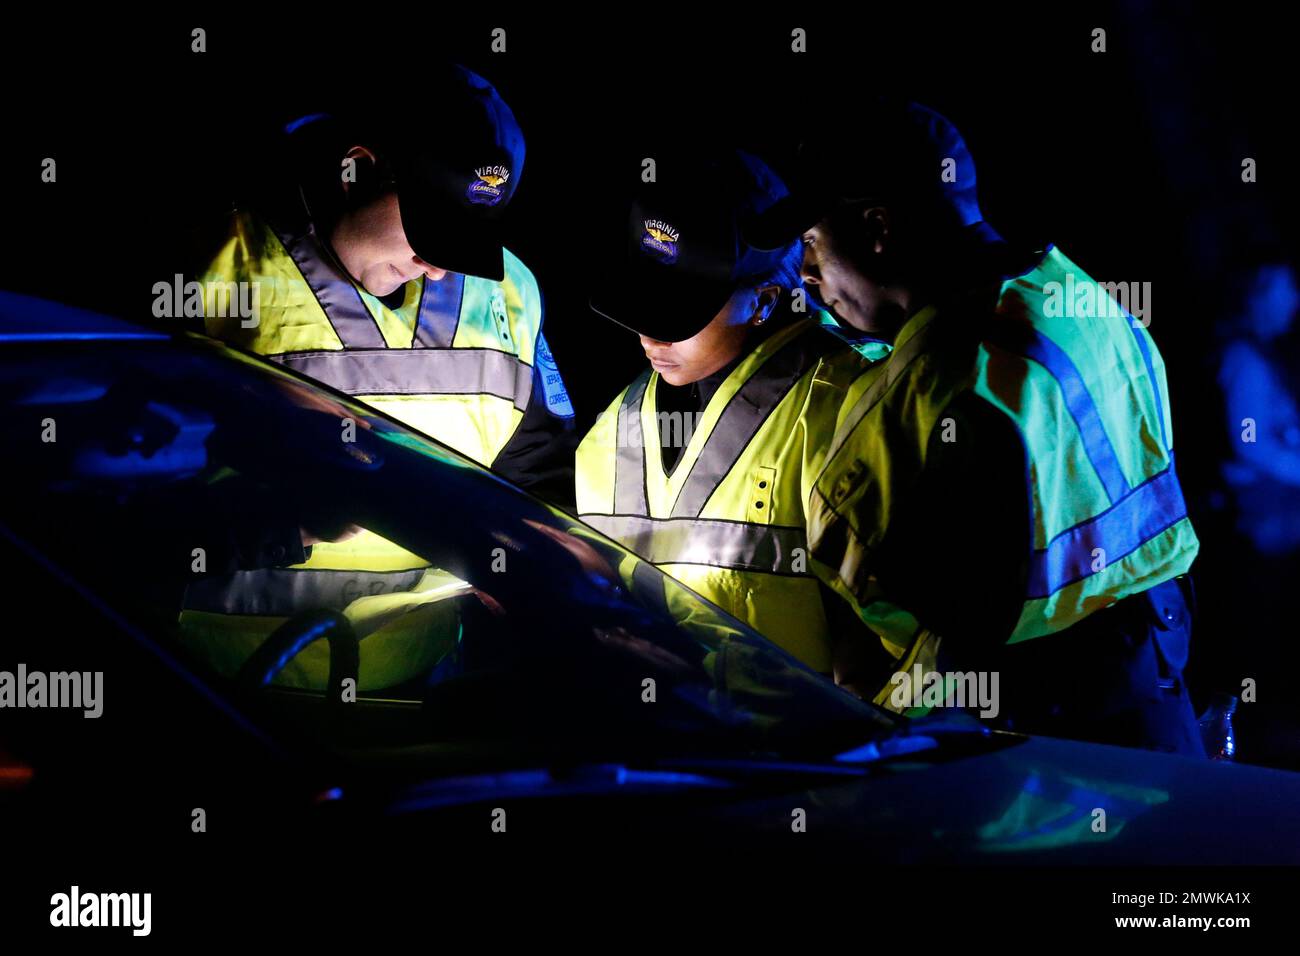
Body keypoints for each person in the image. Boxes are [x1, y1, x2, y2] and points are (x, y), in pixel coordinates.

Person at [745, 101, 1204, 754]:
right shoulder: (1076, 294)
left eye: (814, 245)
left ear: (878, 226)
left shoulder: (950, 375)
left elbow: (937, 607)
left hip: (1044, 733)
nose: (811, 275)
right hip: (1155, 678)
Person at [178, 66, 575, 691]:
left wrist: (526, 570)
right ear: (355, 169)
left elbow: (538, 477)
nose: (440, 269)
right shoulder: (216, 267)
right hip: (226, 691)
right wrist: (282, 519)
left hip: (422, 695)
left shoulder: (510, 292)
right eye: (428, 229)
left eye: (463, 239)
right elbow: (95, 503)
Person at [575, 149, 881, 678]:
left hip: (795, 757)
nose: (651, 334)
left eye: (680, 313)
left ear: (765, 300)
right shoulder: (612, 432)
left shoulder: (851, 408)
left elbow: (886, 645)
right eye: (642, 304)